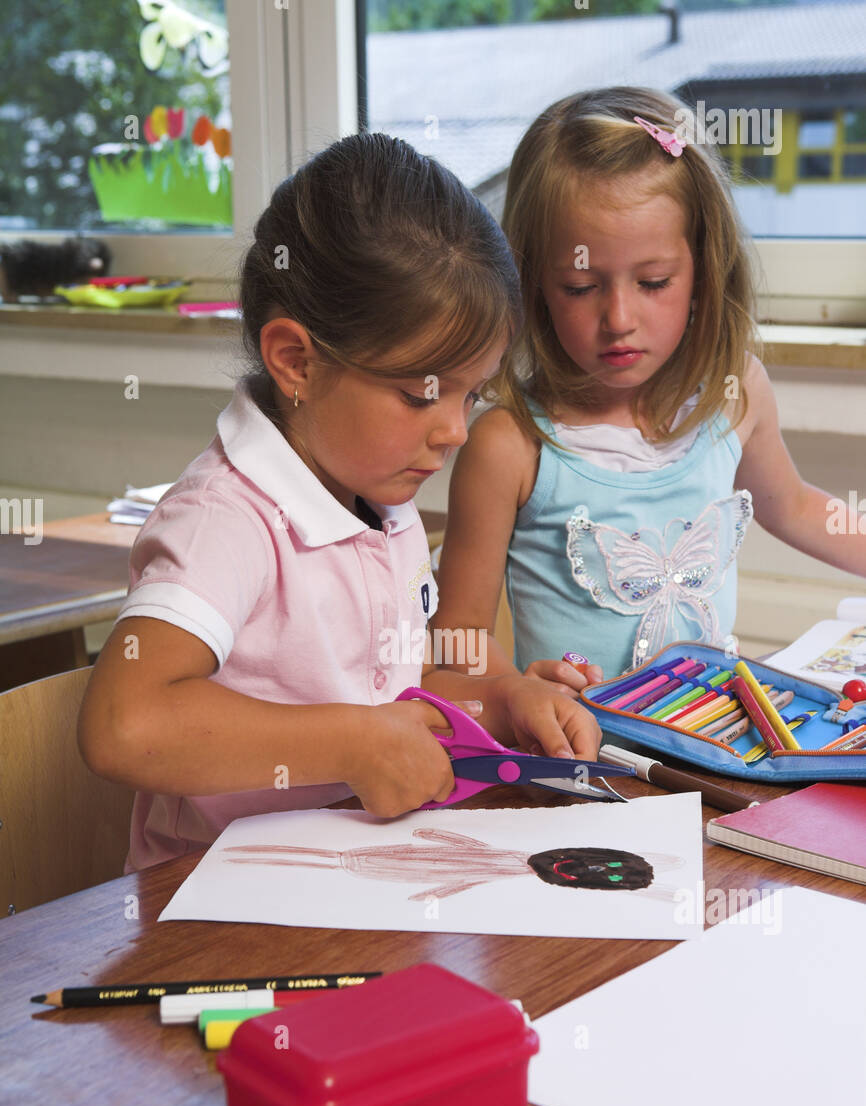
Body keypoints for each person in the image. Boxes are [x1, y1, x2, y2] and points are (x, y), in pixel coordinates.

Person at [78, 132, 601, 873]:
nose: (455, 430)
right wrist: (352, 745)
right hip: (214, 909)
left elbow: (401, 687)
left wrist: (504, 701)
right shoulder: (225, 519)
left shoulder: (381, 501)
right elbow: (122, 725)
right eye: (420, 393)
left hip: (357, 876)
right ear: (296, 360)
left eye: (471, 393)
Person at [434, 86, 866, 694]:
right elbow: (459, 641)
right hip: (587, 765)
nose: (618, 319)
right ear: (532, 283)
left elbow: (793, 506)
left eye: (654, 281)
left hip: (712, 745)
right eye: (581, 287)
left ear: (704, 273)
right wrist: (515, 690)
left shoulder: (732, 394)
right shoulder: (509, 446)